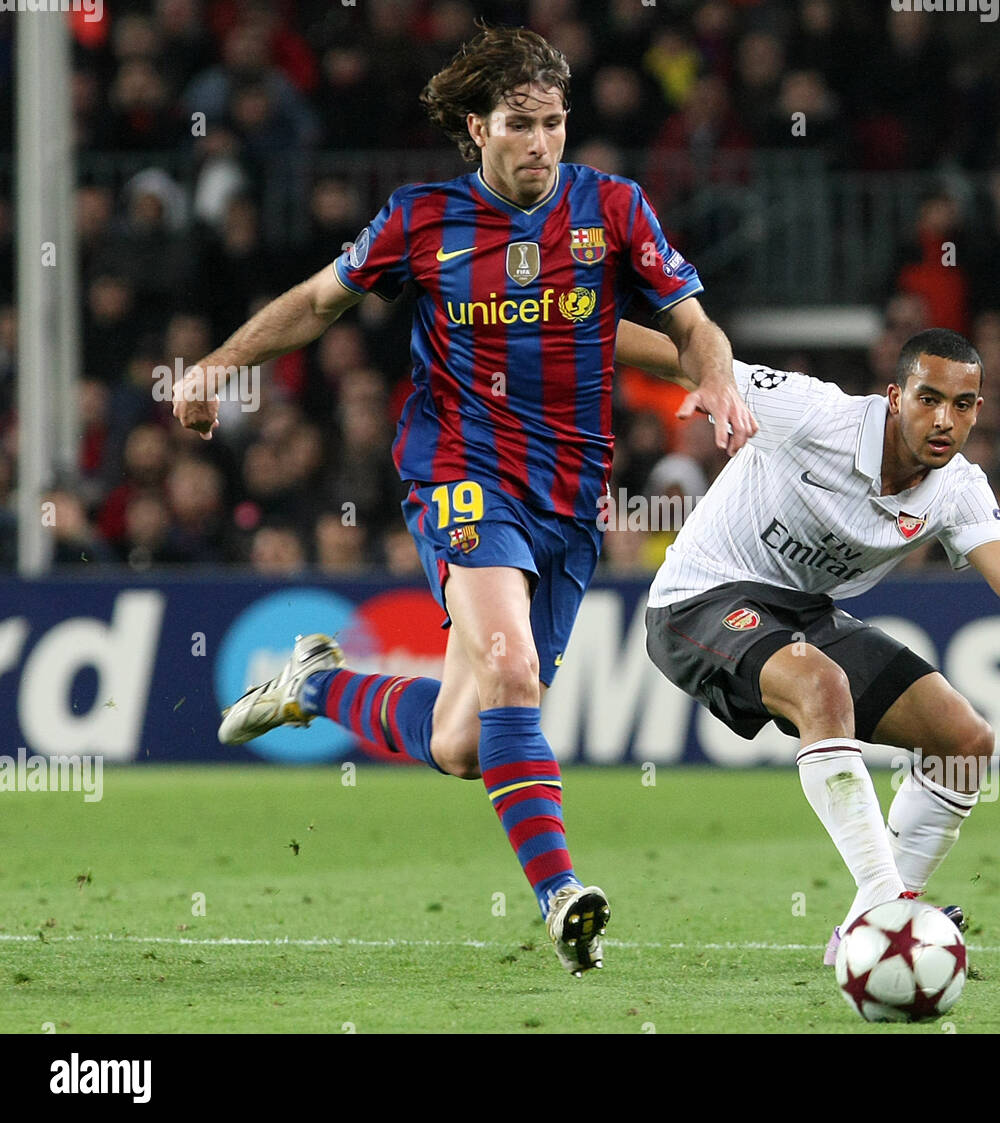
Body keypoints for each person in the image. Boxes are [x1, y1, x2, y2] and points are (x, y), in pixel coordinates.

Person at [172, 25, 756, 978]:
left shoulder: (613, 207)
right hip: (461, 468)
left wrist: (724, 381)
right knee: (510, 663)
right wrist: (219, 364)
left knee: (462, 743)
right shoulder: (421, 219)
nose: (542, 143)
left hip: (569, 497)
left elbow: (687, 325)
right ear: (478, 128)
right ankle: (563, 893)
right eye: (522, 125)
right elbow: (321, 302)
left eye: (556, 123)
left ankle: (316, 683)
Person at [619, 322, 1000, 962]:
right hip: (699, 599)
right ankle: (888, 909)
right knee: (820, 684)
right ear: (895, 396)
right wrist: (568, 320)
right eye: (929, 399)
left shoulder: (957, 488)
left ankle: (870, 925)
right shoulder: (812, 412)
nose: (945, 419)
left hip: (801, 614)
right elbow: (683, 354)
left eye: (964, 405)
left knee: (963, 741)